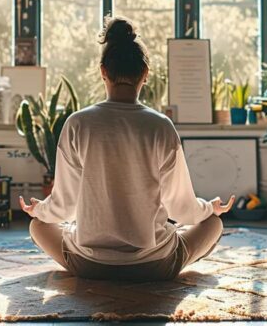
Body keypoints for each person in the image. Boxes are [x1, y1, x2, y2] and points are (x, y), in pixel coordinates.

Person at [19, 16, 235, 282]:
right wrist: (208, 208)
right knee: (213, 224)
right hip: (155, 265)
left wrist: (39, 210)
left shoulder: (78, 123)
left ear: (102, 71)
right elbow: (181, 209)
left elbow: (64, 207)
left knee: (38, 226)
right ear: (145, 74)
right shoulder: (160, 126)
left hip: (88, 264)